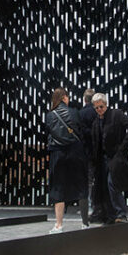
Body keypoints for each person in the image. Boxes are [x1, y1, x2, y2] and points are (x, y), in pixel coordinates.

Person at [45, 87, 89, 233]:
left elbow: (52, 134)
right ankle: (85, 223)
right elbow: (81, 132)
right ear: (64, 97)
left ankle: (58, 225)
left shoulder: (50, 115)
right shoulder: (75, 112)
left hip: (58, 154)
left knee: (58, 187)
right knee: (81, 185)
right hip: (75, 152)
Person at [91, 93, 128, 224]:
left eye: (101, 106)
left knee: (113, 184)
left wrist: (124, 147)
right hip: (102, 159)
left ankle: (121, 213)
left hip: (115, 156)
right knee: (105, 185)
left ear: (106, 105)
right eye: (97, 108)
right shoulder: (96, 122)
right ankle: (111, 214)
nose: (99, 109)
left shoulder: (116, 115)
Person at [79, 88, 101, 222]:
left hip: (84, 152)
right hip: (97, 151)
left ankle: (87, 207)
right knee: (98, 180)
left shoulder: (80, 114)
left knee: (86, 181)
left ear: (84, 99)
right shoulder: (98, 113)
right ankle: (97, 206)